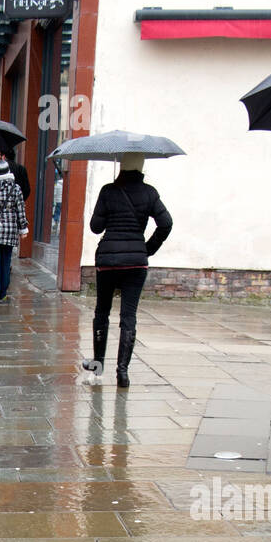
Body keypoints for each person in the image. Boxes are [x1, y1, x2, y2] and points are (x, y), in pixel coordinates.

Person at [83, 153, 172, 387]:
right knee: (128, 316)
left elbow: (95, 227)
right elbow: (166, 223)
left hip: (108, 261)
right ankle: (122, 372)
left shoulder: (108, 190)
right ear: (141, 168)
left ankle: (98, 364)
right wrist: (147, 249)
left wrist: (110, 201)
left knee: (102, 312)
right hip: (136, 262)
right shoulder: (150, 193)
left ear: (121, 167)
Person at [0, 156, 28, 305]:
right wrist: (23, 229)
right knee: (6, 261)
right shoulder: (15, 188)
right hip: (9, 231)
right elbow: (20, 210)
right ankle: (2, 293)